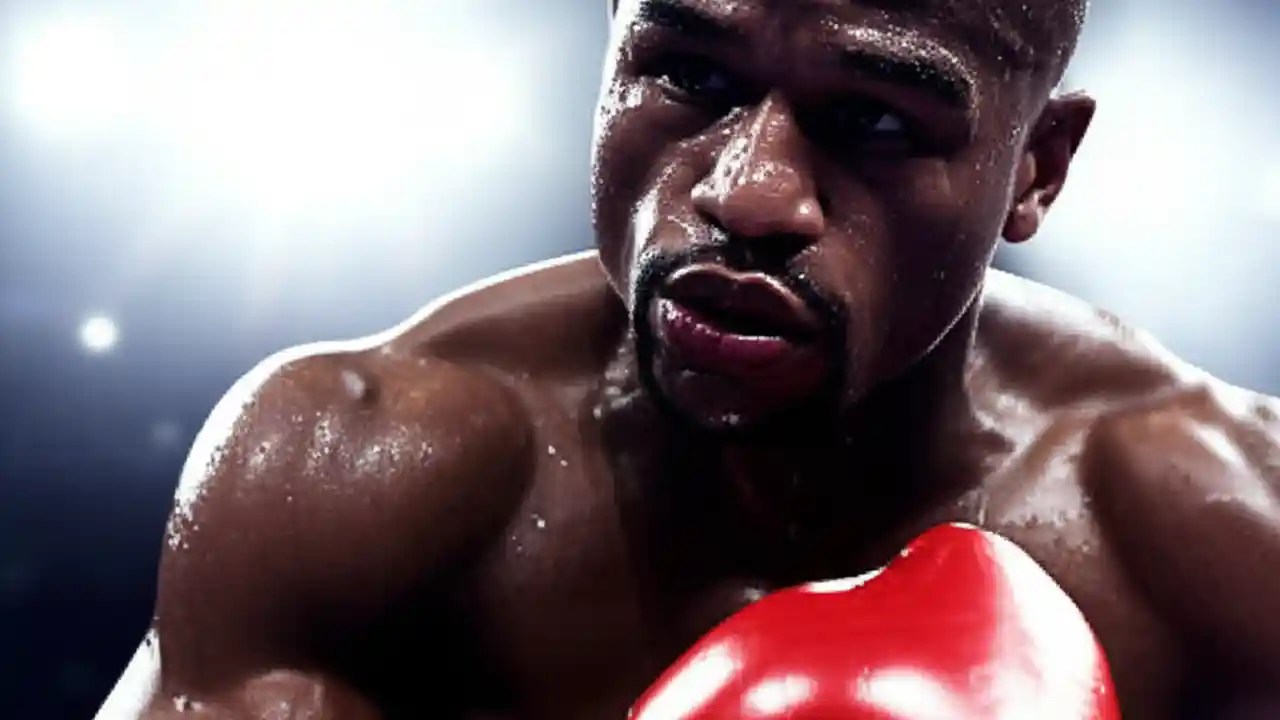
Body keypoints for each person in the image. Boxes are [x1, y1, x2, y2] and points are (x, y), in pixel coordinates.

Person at [97, 0, 1280, 718]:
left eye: (871, 117)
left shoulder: (1220, 536)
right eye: (688, 77)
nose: (745, 191)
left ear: (1035, 168)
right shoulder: (351, 465)